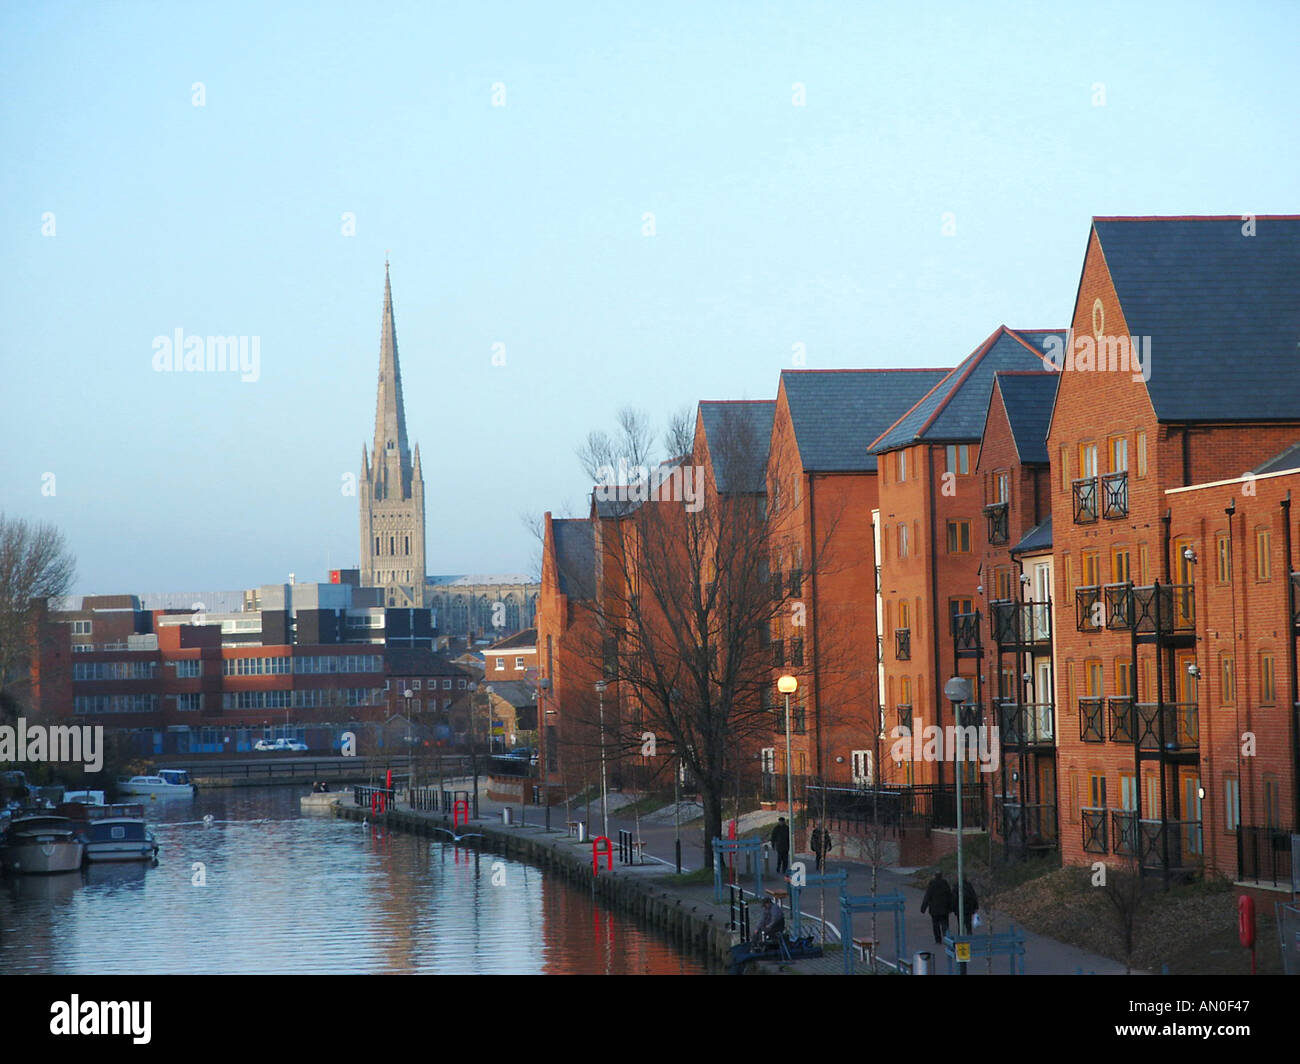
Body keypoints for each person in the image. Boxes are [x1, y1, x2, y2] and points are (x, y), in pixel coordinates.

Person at [920, 871, 953, 945]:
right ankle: (946, 939)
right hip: (944, 909)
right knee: (945, 924)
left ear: (935, 876)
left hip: (934, 909)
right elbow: (950, 896)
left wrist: (923, 908)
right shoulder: (945, 883)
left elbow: (927, 896)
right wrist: (951, 907)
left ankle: (938, 940)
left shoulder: (932, 884)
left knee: (936, 925)